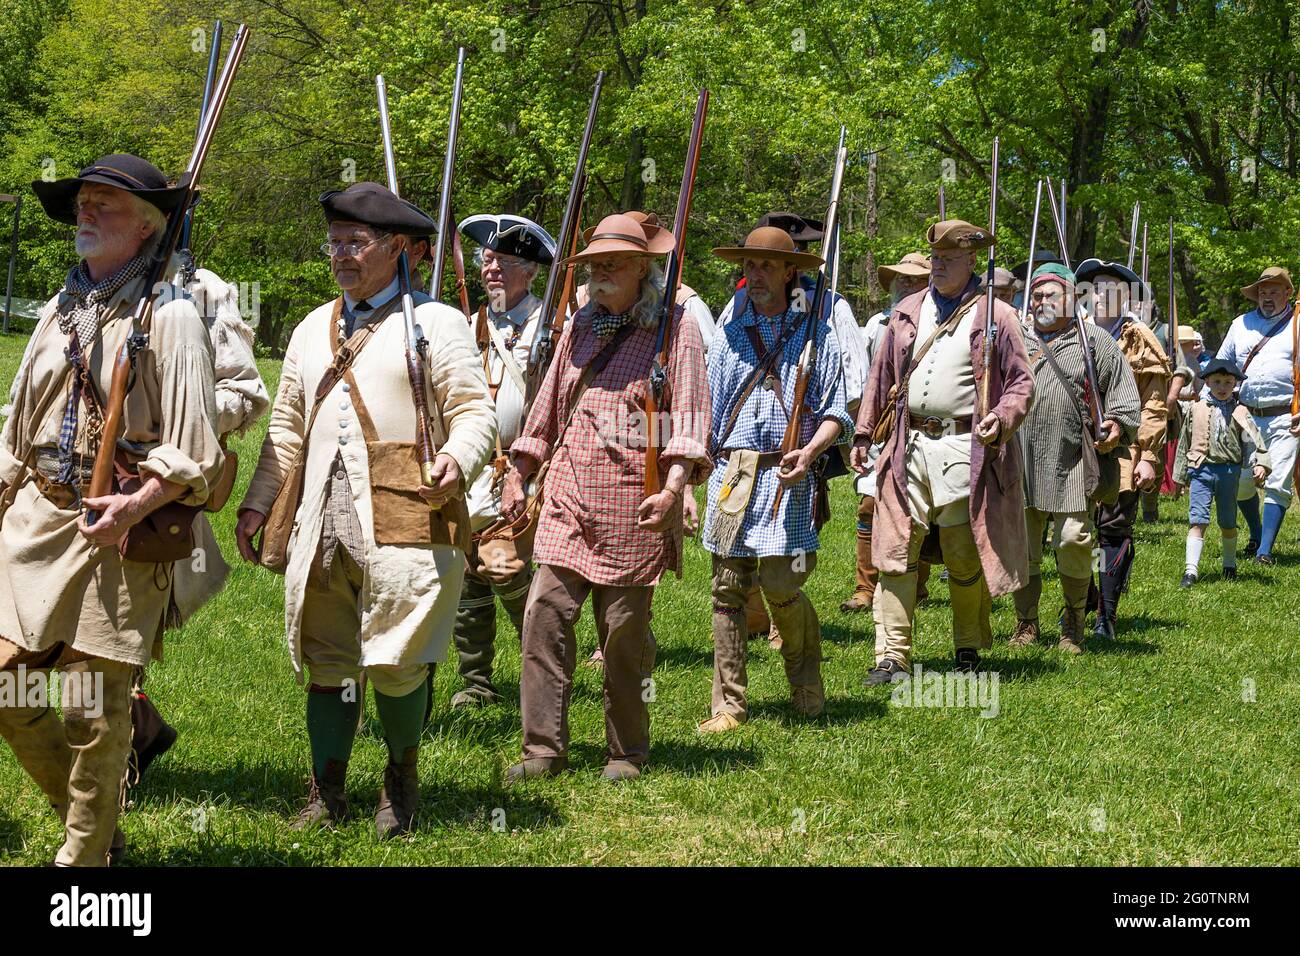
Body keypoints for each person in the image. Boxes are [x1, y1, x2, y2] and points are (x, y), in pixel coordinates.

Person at [237, 182, 497, 838]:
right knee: (327, 662)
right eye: (335, 242)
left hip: (408, 515)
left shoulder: (436, 323)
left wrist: (457, 461)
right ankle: (327, 793)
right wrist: (258, 504)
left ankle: (400, 784)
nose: (341, 255)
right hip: (320, 519)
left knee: (400, 656)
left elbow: (474, 412)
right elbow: (286, 431)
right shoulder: (310, 327)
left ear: (401, 250)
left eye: (357, 243)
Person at [0, 154, 225, 865]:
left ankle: (85, 860)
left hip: (118, 530)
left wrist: (139, 502)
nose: (85, 213)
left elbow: (198, 449)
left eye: (105, 203)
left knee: (93, 712)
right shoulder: (63, 303)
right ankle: (89, 822)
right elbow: (20, 416)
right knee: (9, 688)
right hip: (38, 519)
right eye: (82, 202)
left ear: (151, 225)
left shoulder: (175, 316)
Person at [500, 212, 710, 783]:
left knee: (622, 636)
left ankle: (626, 751)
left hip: (634, 501)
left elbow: (688, 418)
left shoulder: (677, 328)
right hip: (569, 489)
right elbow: (547, 404)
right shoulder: (582, 322)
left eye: (613, 263)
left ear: (645, 267)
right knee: (544, 614)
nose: (600, 274)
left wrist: (673, 490)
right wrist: (521, 469)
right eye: (593, 265)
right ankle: (542, 748)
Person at [853, 219, 1033, 684]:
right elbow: (880, 377)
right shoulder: (908, 310)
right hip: (906, 446)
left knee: (960, 553)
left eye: (949, 259)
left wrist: (1003, 418)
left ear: (973, 260)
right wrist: (863, 432)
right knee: (894, 551)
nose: (938, 266)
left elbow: (1020, 383)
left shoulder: (997, 315)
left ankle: (968, 647)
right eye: (934, 258)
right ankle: (891, 657)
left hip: (964, 447)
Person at [697, 226, 852, 732]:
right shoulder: (729, 336)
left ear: (790, 274)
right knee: (727, 589)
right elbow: (708, 412)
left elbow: (836, 411)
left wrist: (809, 452)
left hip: (788, 475)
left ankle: (806, 680)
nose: (756, 274)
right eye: (750, 265)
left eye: (767, 265)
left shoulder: (817, 335)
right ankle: (728, 706)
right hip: (734, 473)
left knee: (782, 585)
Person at [448, 213, 556, 708]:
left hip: (524, 467)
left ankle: (546, 671)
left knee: (506, 569)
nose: (491, 269)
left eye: (505, 262)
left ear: (532, 272)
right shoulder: (465, 325)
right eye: (487, 260)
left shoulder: (550, 329)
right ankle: (476, 681)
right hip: (468, 468)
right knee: (466, 573)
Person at [1009, 264, 1139, 652]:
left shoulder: (1095, 341)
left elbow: (1123, 396)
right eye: (1037, 295)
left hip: (1070, 461)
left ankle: (1074, 619)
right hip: (1020, 460)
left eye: (1052, 295)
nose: (1042, 302)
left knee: (1072, 541)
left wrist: (1115, 424)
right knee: (1025, 547)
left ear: (1072, 298)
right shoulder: (1016, 338)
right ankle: (1026, 622)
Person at [1074, 258, 1171, 640]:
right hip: (1076, 448)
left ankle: (1106, 617)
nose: (1100, 295)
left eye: (1110, 289)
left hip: (1124, 450)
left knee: (1112, 527)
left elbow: (1154, 404)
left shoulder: (1139, 338)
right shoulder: (1071, 332)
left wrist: (1148, 456)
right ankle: (1085, 600)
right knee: (1075, 530)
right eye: (1095, 287)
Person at [841, 252, 932, 614]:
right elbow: (865, 378)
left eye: (914, 279)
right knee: (868, 505)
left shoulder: (939, 322)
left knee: (919, 510)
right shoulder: (877, 324)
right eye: (902, 279)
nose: (906, 285)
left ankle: (918, 584)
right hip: (881, 427)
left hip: (922, 429)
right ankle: (865, 587)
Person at [1215, 266, 1299, 565]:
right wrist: (1207, 402)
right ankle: (1257, 531)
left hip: (1287, 415)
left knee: (1279, 481)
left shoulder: (1298, 324)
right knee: (1243, 482)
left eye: (1274, 290)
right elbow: (1221, 365)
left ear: (1288, 293)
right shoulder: (1240, 325)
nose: (1267, 297)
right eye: (1263, 292)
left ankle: (1264, 551)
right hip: (1245, 416)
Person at [1173, 358, 1269, 586]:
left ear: (1235, 383)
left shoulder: (1240, 412)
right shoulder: (1196, 409)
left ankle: (1229, 565)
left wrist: (1259, 463)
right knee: (1198, 520)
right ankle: (1190, 571)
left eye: (1228, 382)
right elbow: (1184, 444)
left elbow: (1253, 439)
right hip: (1201, 469)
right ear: (1207, 382)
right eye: (1217, 381)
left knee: (1227, 521)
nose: (1222, 387)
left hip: (1228, 472)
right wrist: (1179, 476)